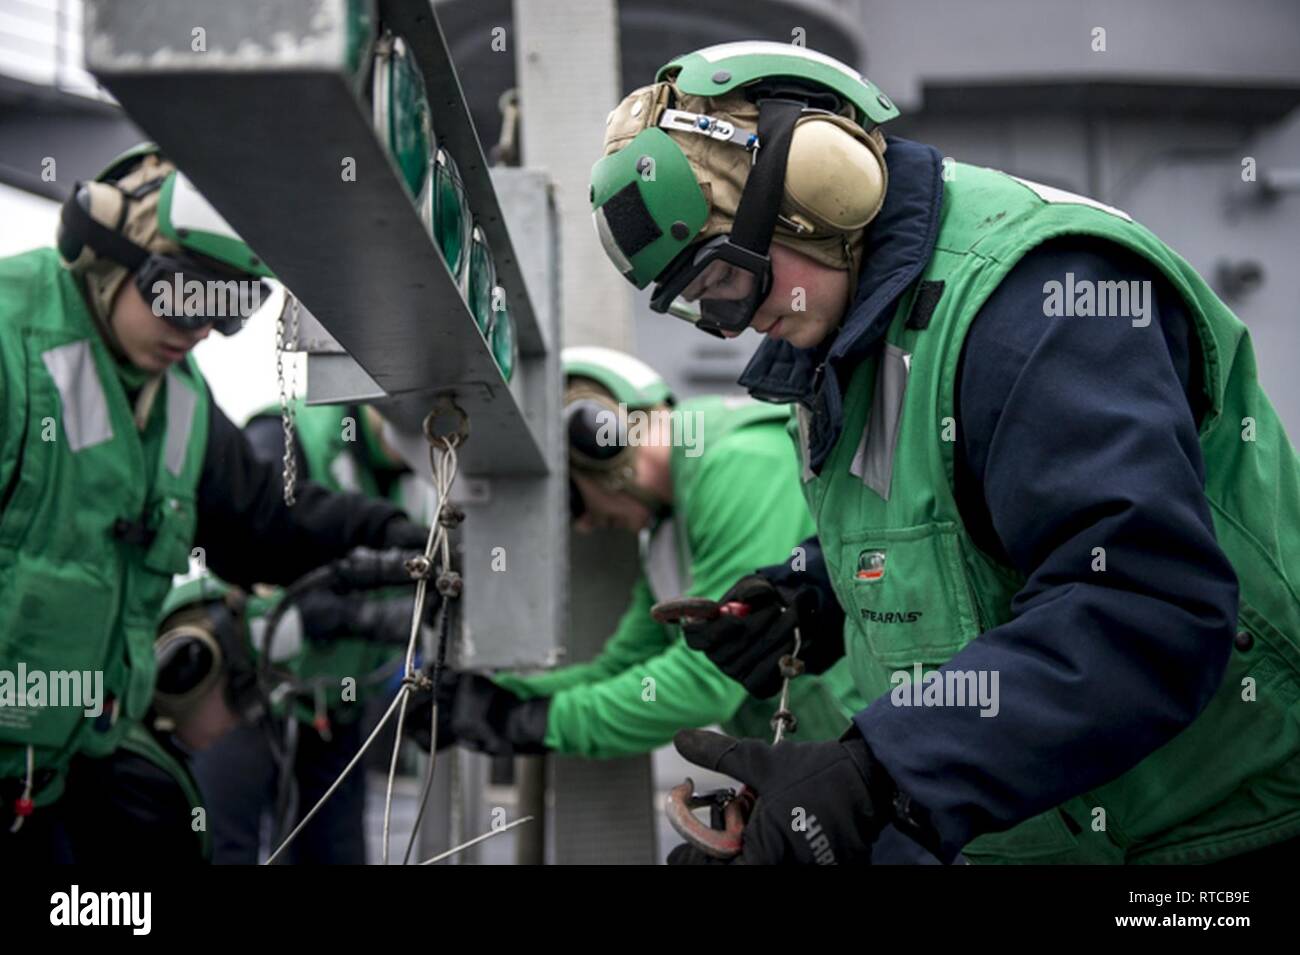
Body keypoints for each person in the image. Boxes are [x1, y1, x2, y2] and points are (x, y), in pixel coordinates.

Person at [589, 42, 1300, 865]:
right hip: (1046, 824)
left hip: (1228, 828)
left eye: (727, 280)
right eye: (701, 308)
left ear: (818, 185)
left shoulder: (1037, 302)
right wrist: (812, 596)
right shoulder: (853, 334)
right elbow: (970, 518)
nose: (738, 323)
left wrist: (874, 777)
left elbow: (1145, 607)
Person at [0, 144, 426, 862]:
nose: (198, 328)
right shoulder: (13, 342)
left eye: (227, 310)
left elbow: (265, 525)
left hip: (63, 767)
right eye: (181, 294)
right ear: (101, 244)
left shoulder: (181, 402)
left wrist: (408, 540)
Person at [409, 346, 861, 762]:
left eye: (571, 500)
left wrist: (532, 724)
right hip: (819, 766)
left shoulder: (741, 465)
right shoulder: (669, 530)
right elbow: (627, 666)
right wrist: (503, 697)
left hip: (863, 770)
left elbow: (707, 681)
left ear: (599, 442)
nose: (583, 524)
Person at [190, 402, 431, 864]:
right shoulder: (285, 435)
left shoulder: (415, 481)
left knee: (336, 853)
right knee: (222, 847)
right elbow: (253, 558)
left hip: (333, 705)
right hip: (248, 691)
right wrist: (364, 619)